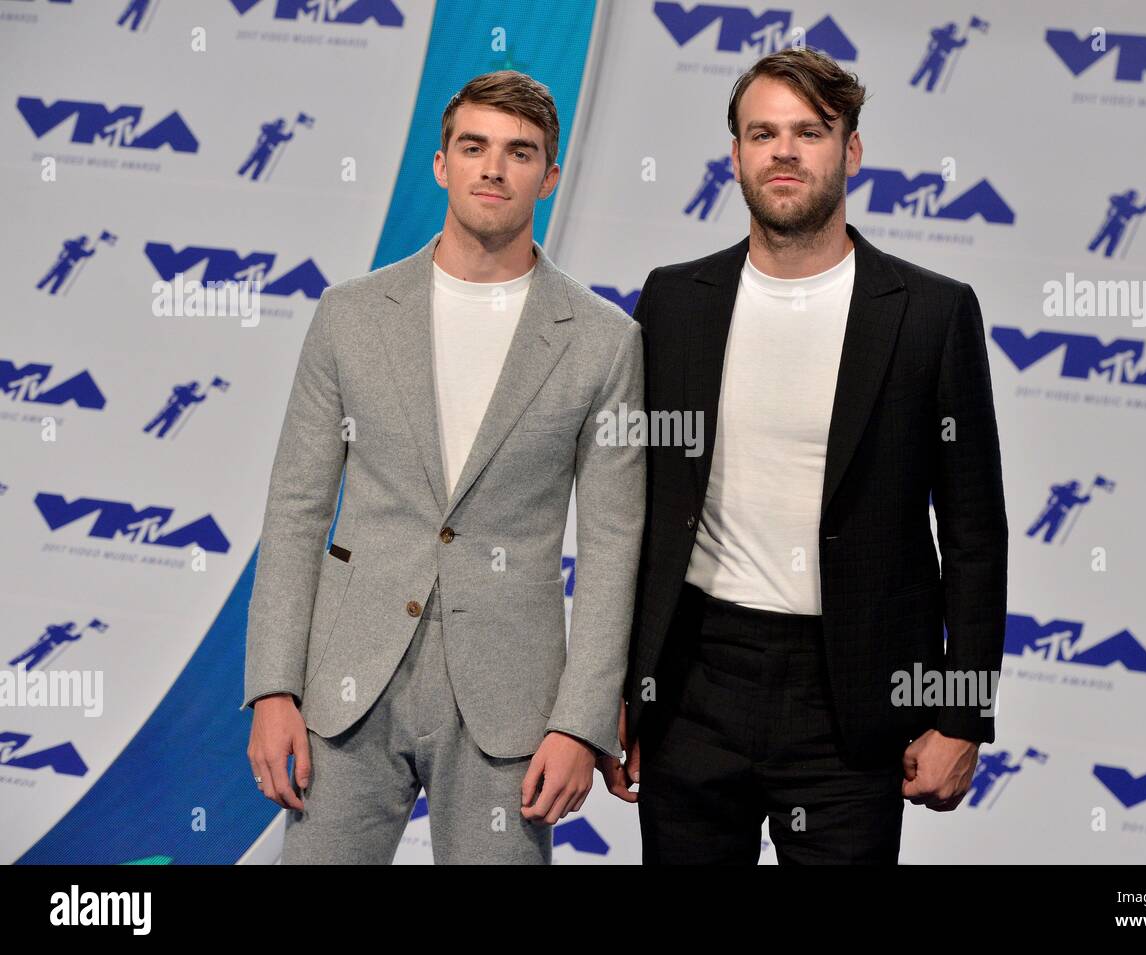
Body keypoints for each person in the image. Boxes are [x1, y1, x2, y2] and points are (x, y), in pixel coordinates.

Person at [600, 48, 1008, 864]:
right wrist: (617, 687)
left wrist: (962, 713)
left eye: (809, 132)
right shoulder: (674, 301)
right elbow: (634, 510)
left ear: (850, 151)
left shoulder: (931, 313)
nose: (784, 151)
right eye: (763, 133)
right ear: (736, 156)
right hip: (692, 686)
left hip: (853, 703)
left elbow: (973, 530)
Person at [243, 70, 644, 864]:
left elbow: (613, 545)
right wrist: (272, 688)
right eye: (474, 147)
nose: (494, 168)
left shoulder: (603, 339)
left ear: (549, 175)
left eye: (519, 152)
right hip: (346, 687)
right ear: (441, 164)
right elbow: (295, 509)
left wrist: (580, 719)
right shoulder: (349, 314)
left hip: (511, 702)